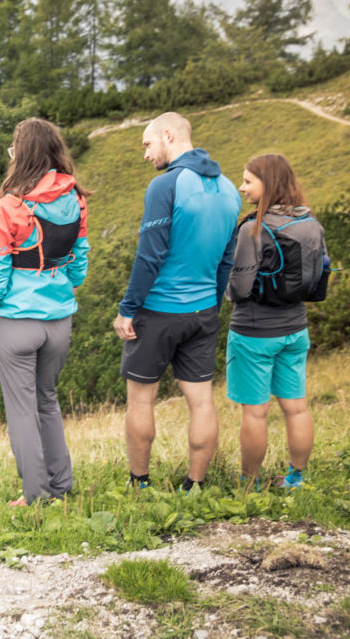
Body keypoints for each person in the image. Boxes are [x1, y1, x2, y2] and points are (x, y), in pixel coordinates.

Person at [113, 112, 241, 492]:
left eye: (147, 144)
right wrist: (211, 309)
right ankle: (195, 485)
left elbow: (149, 256)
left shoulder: (165, 185)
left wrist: (127, 309)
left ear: (169, 135)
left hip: (157, 312)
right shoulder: (231, 188)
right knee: (201, 402)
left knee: (140, 402)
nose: (145, 154)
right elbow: (226, 261)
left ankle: (140, 484)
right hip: (202, 313)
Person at [0, 118, 90, 506]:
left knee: (22, 410)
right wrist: (60, 285)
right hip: (59, 318)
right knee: (47, 400)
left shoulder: (8, 206)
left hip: (17, 319)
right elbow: (80, 260)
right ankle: (62, 485)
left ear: (20, 154)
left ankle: (36, 495)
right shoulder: (75, 198)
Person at [226, 154, 326, 490]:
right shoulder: (309, 221)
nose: (242, 187)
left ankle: (249, 483)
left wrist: (228, 293)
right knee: (296, 408)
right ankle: (295, 478)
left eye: (248, 181)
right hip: (296, 328)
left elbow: (240, 287)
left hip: (254, 332)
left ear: (268, 184)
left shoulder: (254, 228)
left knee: (255, 413)